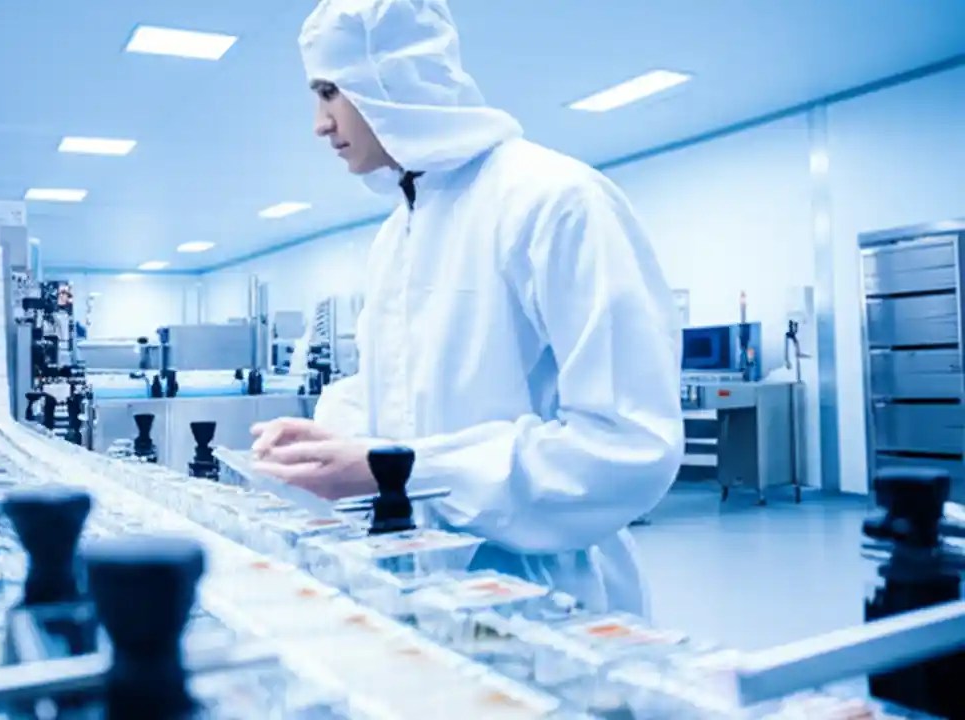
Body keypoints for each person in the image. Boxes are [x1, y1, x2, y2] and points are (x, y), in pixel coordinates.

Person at [251, 0, 684, 616]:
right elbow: (403, 396)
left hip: (549, 597)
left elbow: (627, 446)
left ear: (389, 78)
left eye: (329, 92)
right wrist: (333, 439)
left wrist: (400, 469)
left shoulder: (554, 200)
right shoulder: (399, 231)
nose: (320, 124)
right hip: (418, 578)